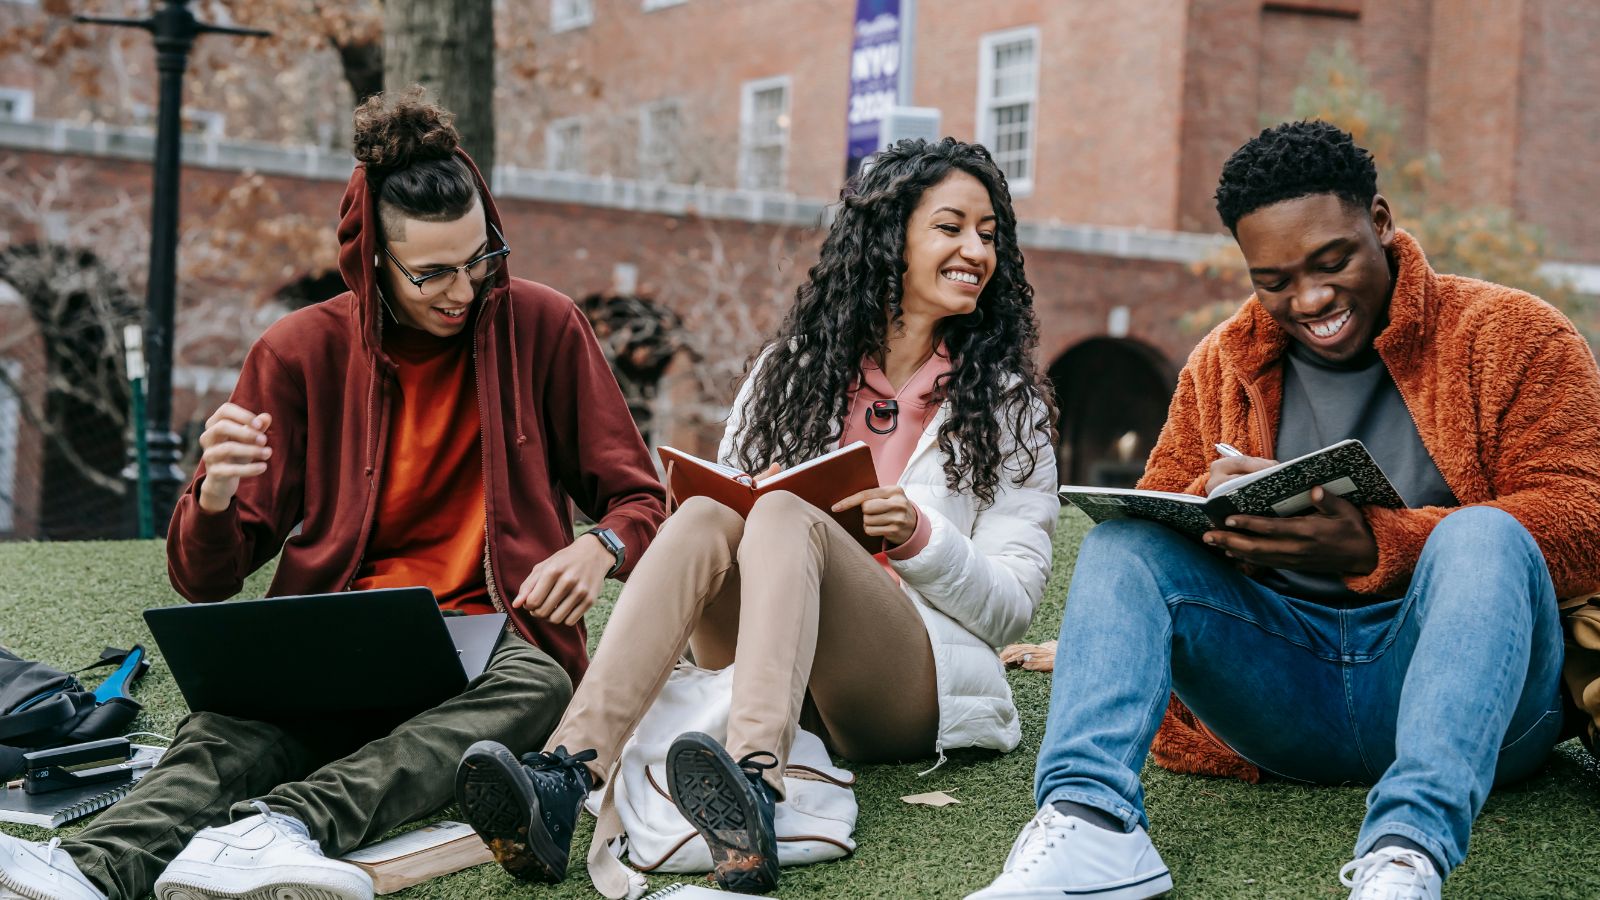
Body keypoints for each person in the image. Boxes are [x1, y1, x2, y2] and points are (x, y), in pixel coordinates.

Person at [0, 90, 666, 900]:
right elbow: (205, 579)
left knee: (542, 686)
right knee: (224, 729)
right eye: (431, 273)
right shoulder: (298, 350)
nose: (463, 290)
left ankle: (279, 829)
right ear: (371, 258)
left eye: (479, 258)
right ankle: (83, 870)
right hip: (338, 632)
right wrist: (212, 498)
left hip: (490, 648)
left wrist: (601, 545)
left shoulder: (545, 326)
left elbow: (641, 500)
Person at [969, 119, 1600, 900]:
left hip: (1476, 703)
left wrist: (1378, 545)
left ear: (1380, 222)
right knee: (1124, 547)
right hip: (1284, 694)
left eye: (1331, 262)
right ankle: (1089, 826)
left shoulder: (1515, 335)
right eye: (1274, 280)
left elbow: (1585, 520)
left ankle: (1406, 855)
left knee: (1485, 535)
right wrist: (1225, 518)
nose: (1310, 299)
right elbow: (1165, 511)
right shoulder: (1221, 361)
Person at [452, 137, 1059, 894]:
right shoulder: (791, 372)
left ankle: (753, 787)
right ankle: (565, 775)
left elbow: (1011, 607)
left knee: (784, 519)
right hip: (763, 657)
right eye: (951, 227)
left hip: (902, 685)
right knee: (712, 513)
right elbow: (729, 517)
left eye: (989, 233)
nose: (976, 248)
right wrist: (746, 491)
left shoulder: (1006, 405)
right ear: (889, 238)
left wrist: (917, 536)